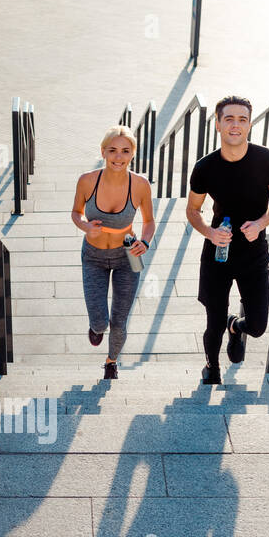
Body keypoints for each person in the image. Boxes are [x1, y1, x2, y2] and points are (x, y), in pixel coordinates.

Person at [186, 95, 269, 384]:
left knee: (257, 326)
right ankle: (212, 368)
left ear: (250, 125)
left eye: (242, 119)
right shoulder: (205, 167)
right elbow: (193, 210)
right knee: (213, 321)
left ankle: (237, 326)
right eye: (229, 118)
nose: (235, 125)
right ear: (218, 124)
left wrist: (261, 223)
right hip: (218, 252)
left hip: (254, 254)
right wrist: (209, 232)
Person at [71, 126, 155, 380]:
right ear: (103, 152)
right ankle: (95, 328)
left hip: (127, 256)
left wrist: (145, 242)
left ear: (133, 154)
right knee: (100, 322)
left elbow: (149, 221)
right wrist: (85, 226)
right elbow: (76, 212)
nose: (118, 157)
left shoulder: (140, 185)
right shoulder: (87, 180)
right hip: (93, 256)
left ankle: (111, 361)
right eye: (113, 150)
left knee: (119, 319)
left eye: (125, 151)